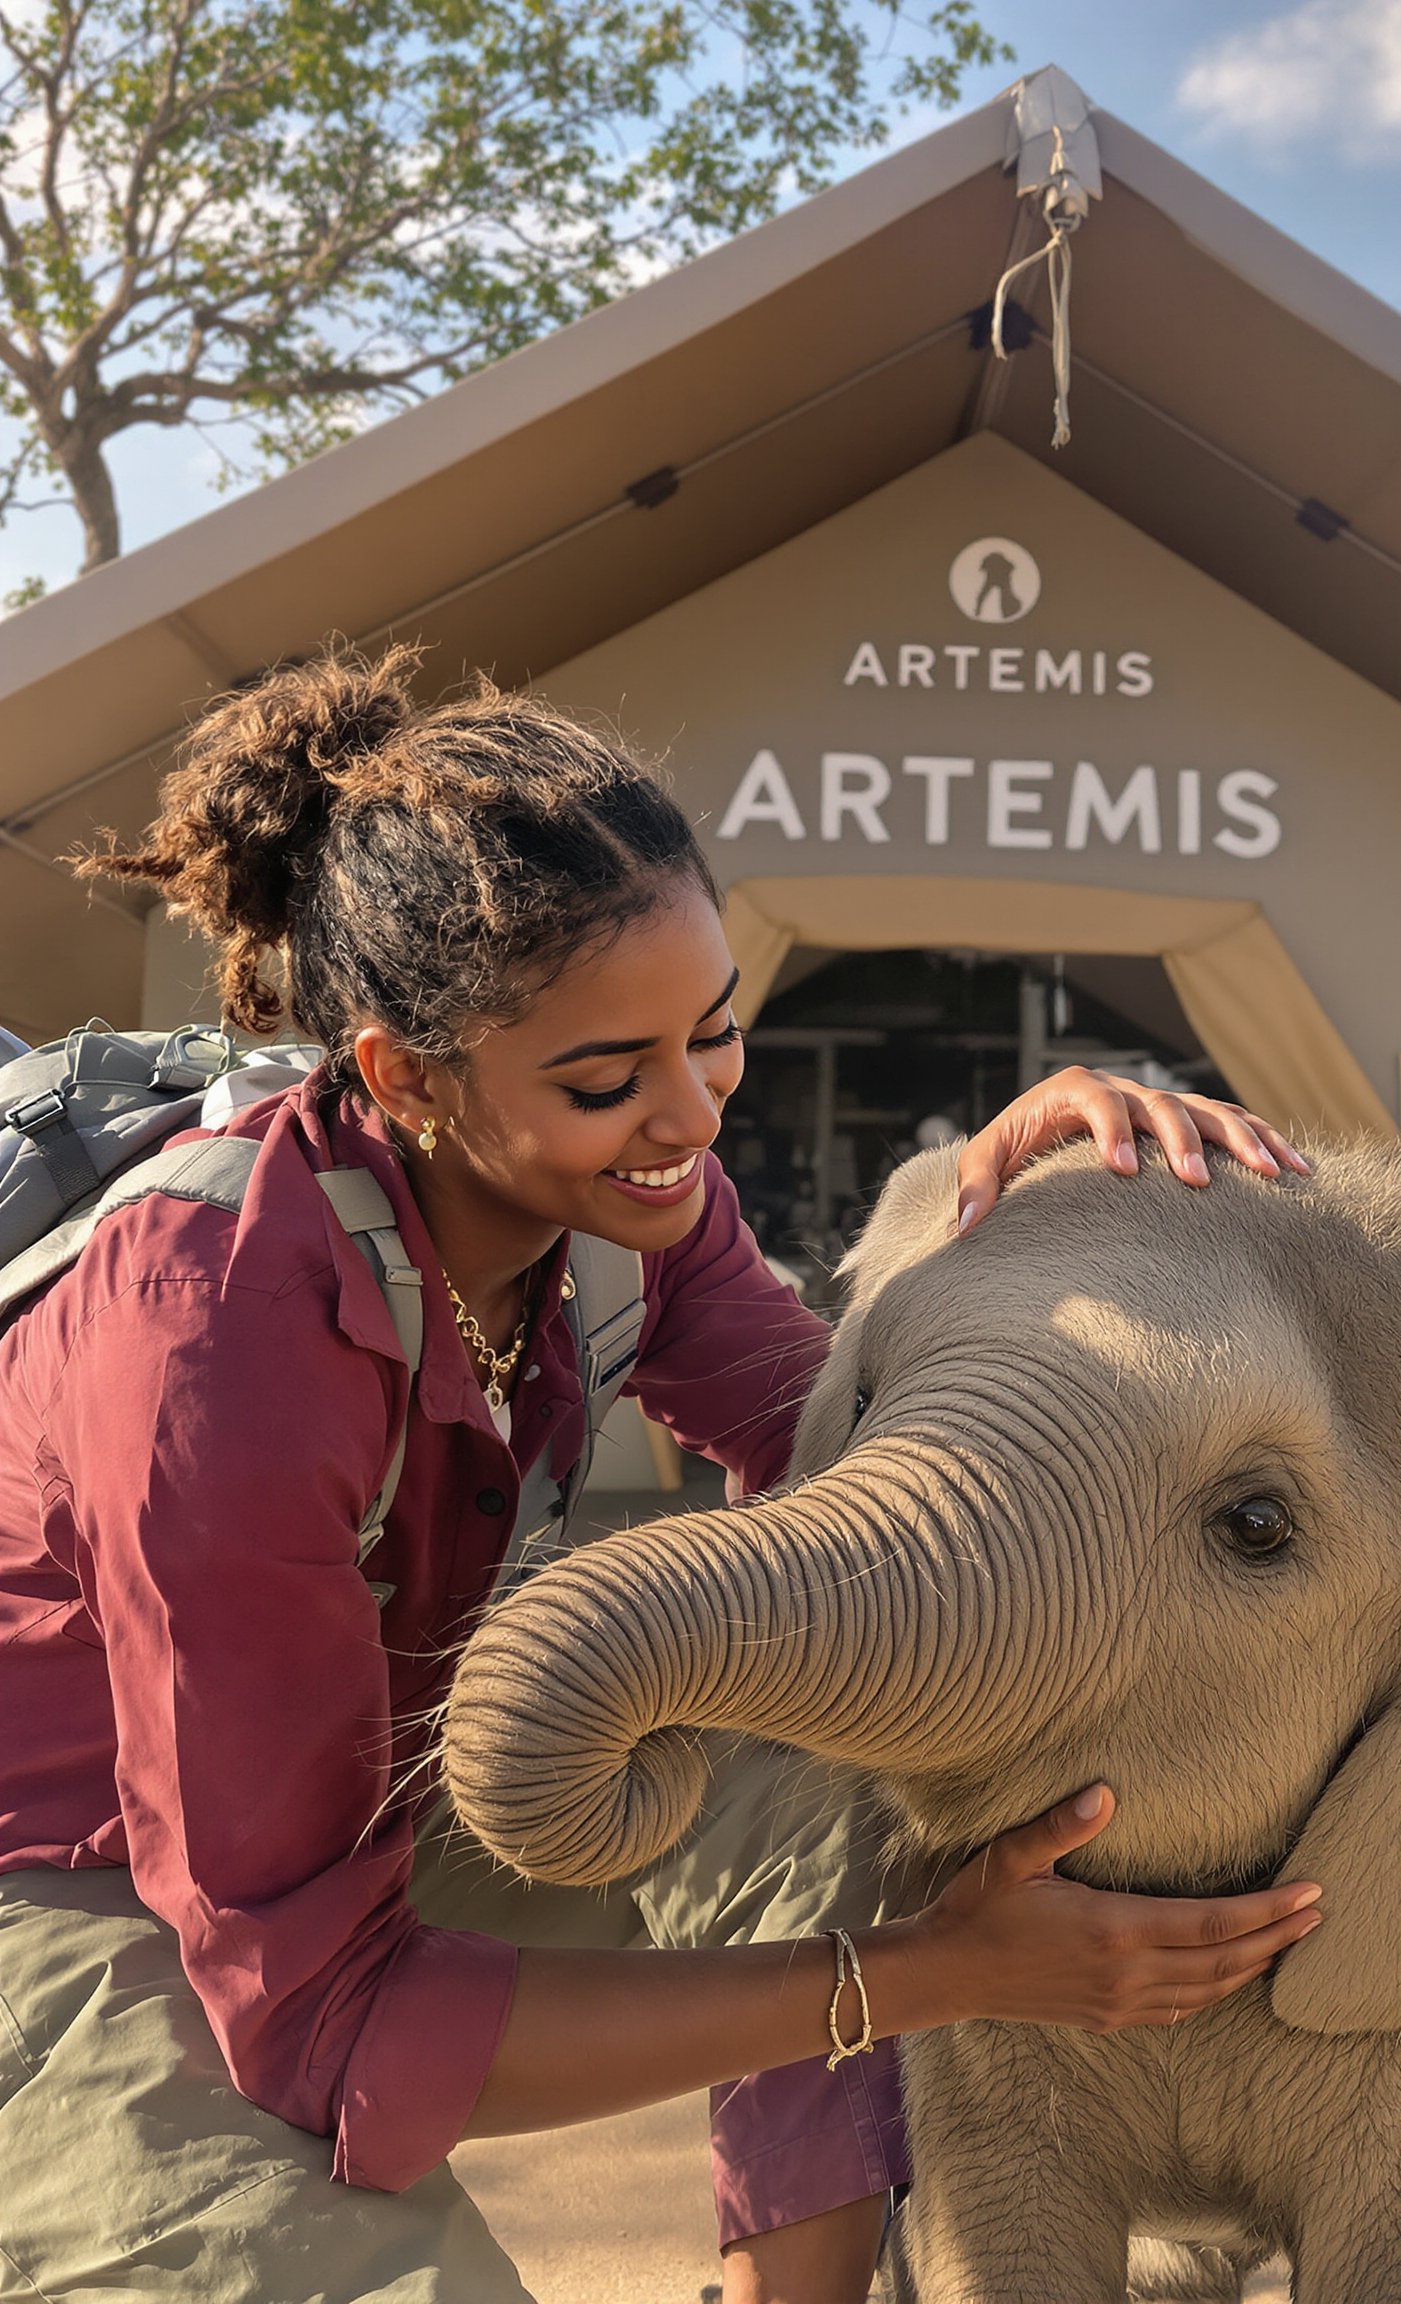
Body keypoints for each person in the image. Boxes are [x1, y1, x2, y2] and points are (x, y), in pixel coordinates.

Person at [0, 653, 1322, 2304]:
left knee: (836, 1739)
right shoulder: (210, 1335)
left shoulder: (640, 1209)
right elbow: (322, 2009)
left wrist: (1016, 1206)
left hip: (353, 1786)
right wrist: (922, 1973)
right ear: (405, 1074)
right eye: (604, 1078)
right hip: (69, 1887)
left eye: (716, 1035)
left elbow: (879, 1493)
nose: (688, 1116)